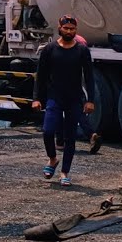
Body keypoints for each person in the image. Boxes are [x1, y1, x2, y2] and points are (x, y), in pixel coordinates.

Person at [31, 14, 102, 186]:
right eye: (66, 28)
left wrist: (90, 100)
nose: (69, 31)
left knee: (70, 137)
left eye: (72, 29)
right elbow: (41, 76)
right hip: (54, 97)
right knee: (48, 131)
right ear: (59, 28)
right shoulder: (50, 49)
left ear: (76, 30)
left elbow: (89, 77)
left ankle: (65, 172)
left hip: (74, 99)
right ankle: (53, 159)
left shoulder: (82, 50)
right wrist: (36, 98)